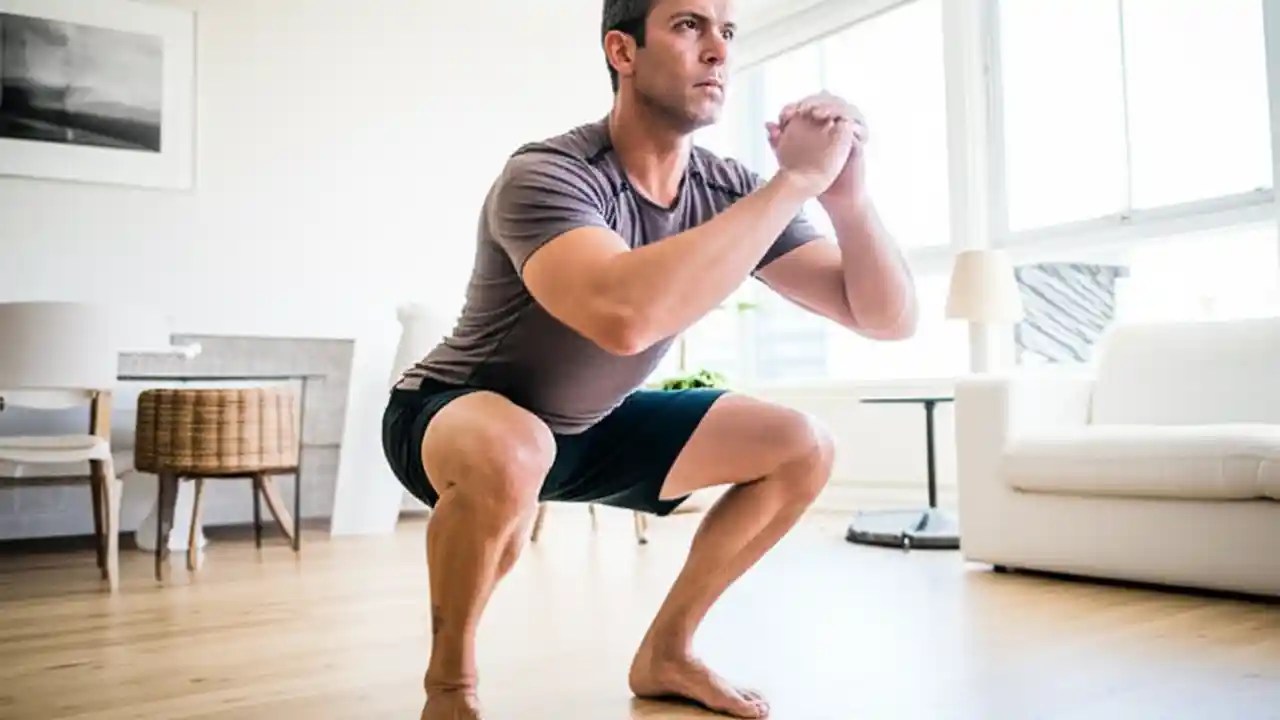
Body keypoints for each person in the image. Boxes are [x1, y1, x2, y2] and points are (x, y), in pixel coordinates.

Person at [381, 0, 918, 717]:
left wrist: (847, 200)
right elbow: (623, 319)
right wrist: (792, 183)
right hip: (452, 413)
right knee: (516, 448)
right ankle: (451, 687)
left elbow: (885, 317)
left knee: (801, 446)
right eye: (689, 25)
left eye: (727, 31)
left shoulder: (727, 189)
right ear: (622, 51)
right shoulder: (550, 173)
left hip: (589, 424)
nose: (719, 50)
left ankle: (670, 651)